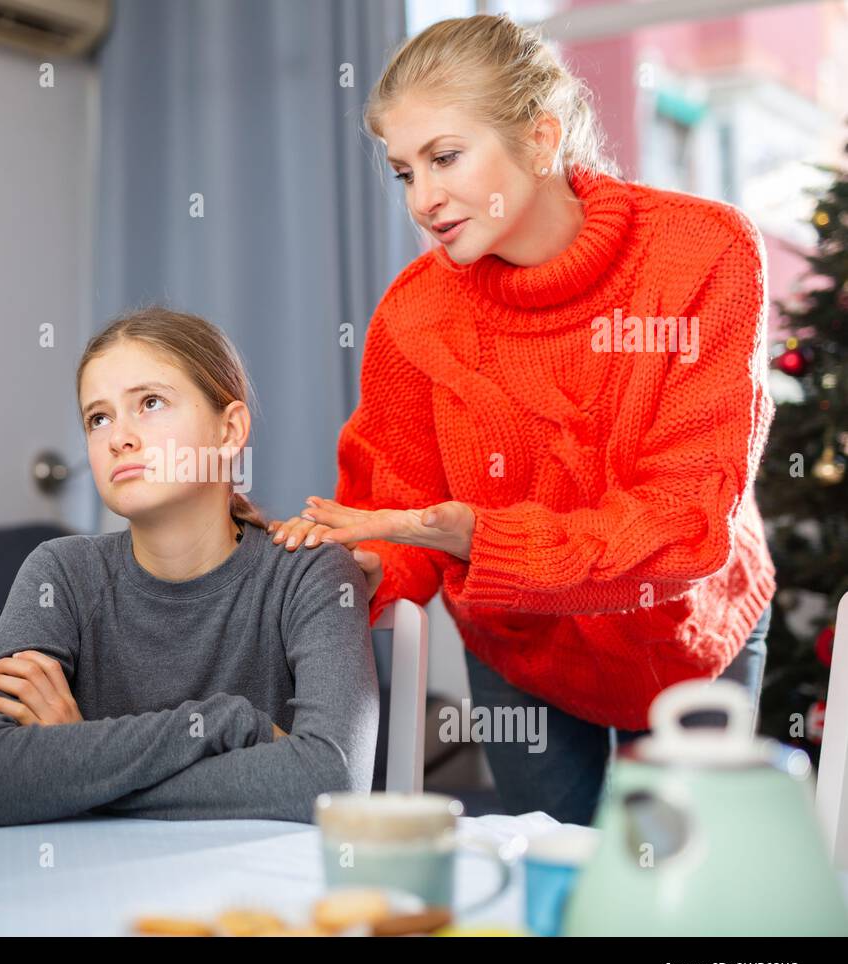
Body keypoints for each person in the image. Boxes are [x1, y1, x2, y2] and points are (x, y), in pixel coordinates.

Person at [268, 14, 776, 827]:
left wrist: (479, 536)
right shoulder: (416, 315)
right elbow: (401, 511)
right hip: (522, 650)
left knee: (687, 905)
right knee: (553, 886)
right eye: (403, 172)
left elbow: (683, 531)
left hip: (685, 637)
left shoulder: (705, 255)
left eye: (444, 157)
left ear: (540, 139)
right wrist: (365, 570)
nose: (423, 199)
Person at [0, 306, 380, 827]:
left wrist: (75, 757)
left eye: (150, 403)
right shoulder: (59, 575)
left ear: (229, 431)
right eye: (99, 418)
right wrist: (228, 723)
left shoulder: (310, 571)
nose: (118, 438)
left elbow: (331, 783)